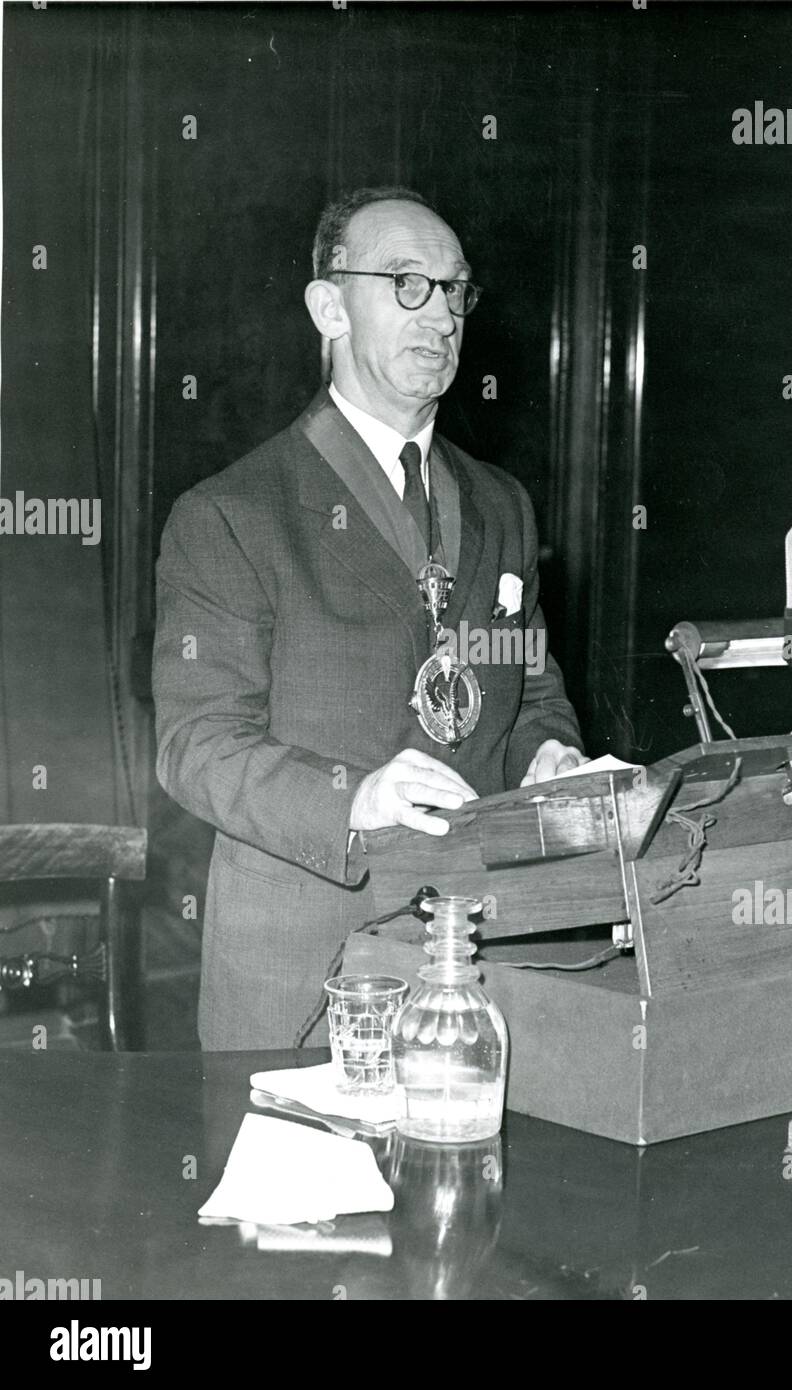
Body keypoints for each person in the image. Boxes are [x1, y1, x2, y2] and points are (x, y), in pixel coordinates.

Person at [153, 186, 585, 1050]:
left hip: (478, 948)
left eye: (455, 289)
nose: (441, 314)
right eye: (404, 282)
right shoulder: (233, 512)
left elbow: (531, 688)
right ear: (328, 306)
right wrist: (359, 798)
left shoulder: (501, 504)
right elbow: (195, 747)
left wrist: (549, 750)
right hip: (305, 967)